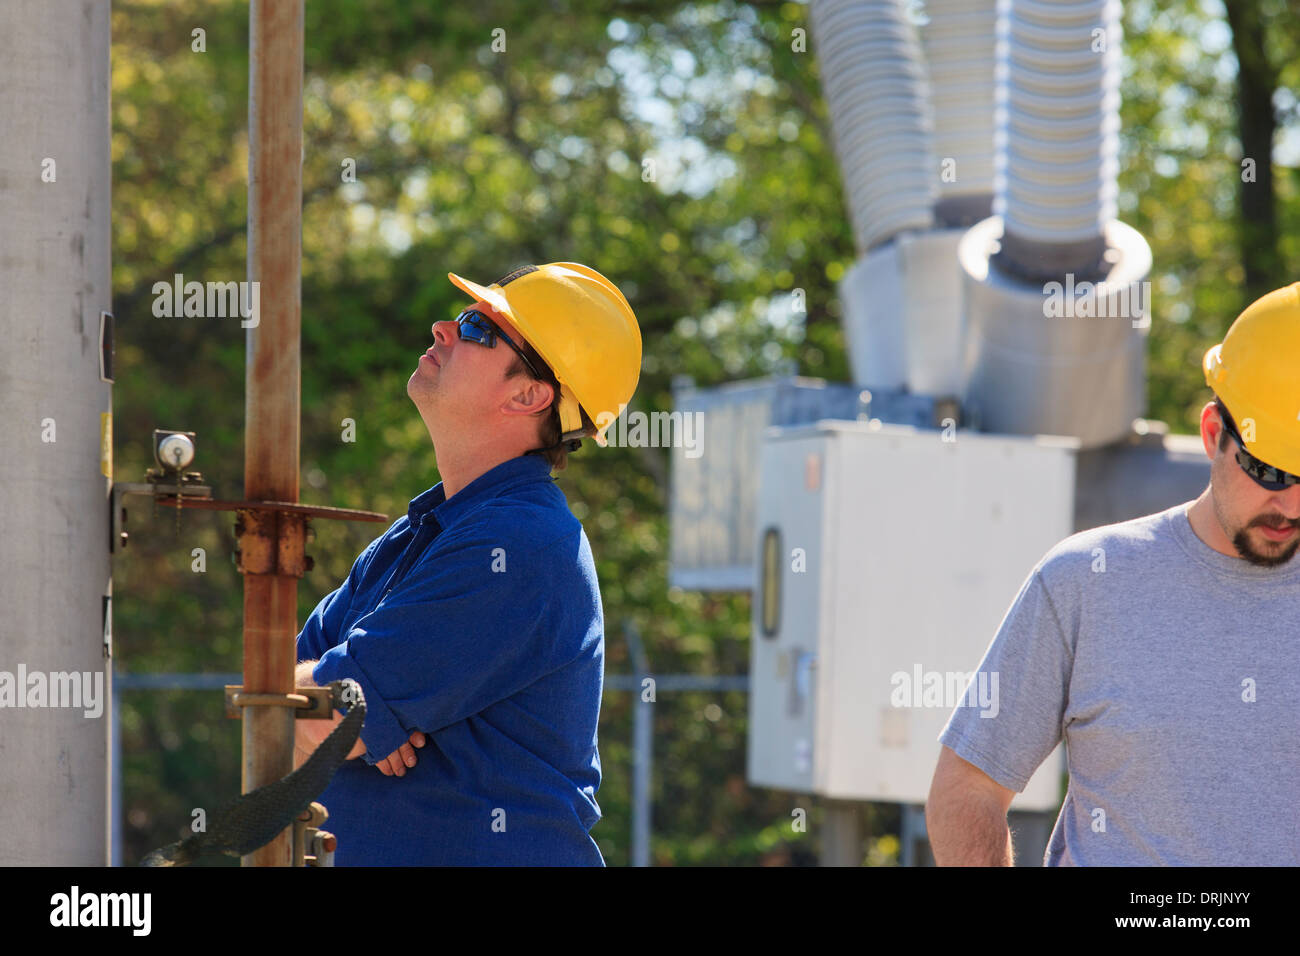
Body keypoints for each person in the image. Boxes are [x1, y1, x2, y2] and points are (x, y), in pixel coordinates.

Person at [925, 281, 1300, 865]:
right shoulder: (1086, 582)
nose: (1292, 505)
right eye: (1272, 473)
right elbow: (967, 788)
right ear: (1212, 434)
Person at [293, 262, 641, 865]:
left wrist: (339, 703)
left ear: (530, 394)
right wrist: (346, 704)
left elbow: (306, 722)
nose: (442, 330)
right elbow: (276, 711)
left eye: (478, 328)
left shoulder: (520, 545)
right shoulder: (415, 537)